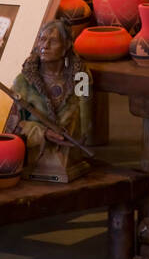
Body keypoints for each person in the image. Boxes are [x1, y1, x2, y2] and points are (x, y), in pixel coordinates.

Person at [5, 20, 92, 180]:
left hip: (70, 155)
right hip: (35, 157)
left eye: (53, 41)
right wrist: (43, 133)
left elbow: (86, 114)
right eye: (42, 39)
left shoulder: (80, 77)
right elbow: (12, 125)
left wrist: (79, 134)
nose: (45, 45)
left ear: (66, 46)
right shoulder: (23, 82)